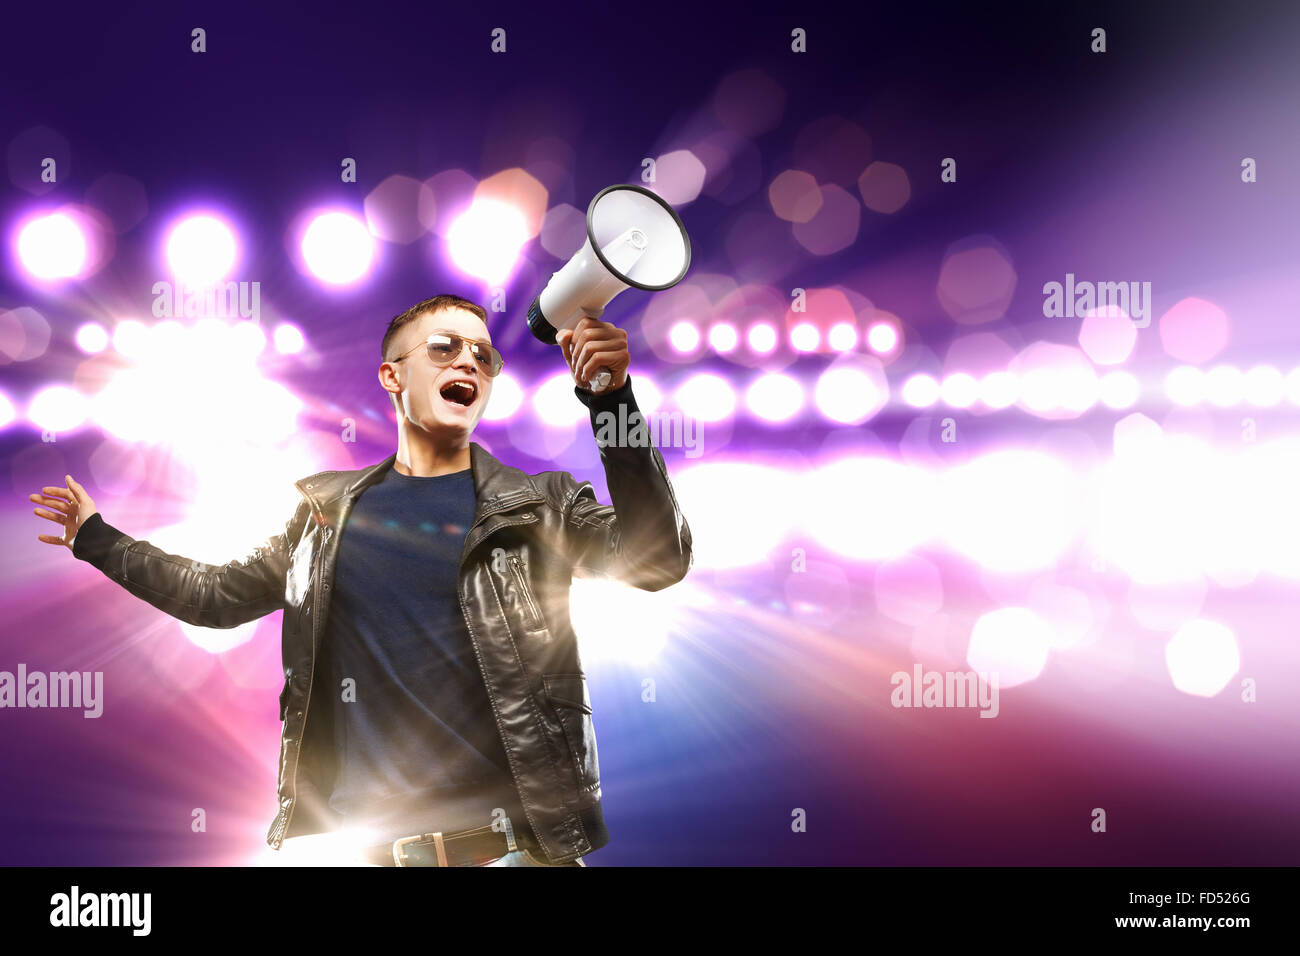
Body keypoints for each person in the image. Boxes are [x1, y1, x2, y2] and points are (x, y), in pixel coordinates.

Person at [30, 293, 693, 867]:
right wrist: (97, 538)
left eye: (482, 356)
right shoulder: (322, 518)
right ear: (391, 375)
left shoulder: (539, 504)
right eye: (443, 348)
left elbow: (655, 557)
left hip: (514, 853)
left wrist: (612, 405)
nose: (469, 362)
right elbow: (216, 598)